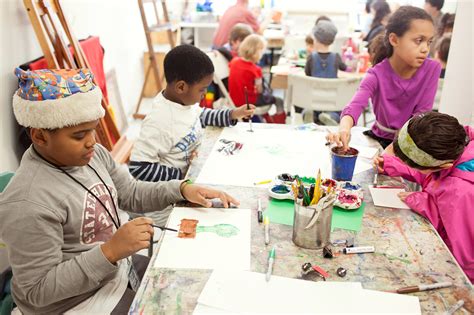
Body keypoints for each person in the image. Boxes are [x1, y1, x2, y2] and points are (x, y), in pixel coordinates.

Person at [0, 68, 239, 314]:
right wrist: (110, 251)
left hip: (113, 267)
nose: (92, 141)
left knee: (191, 282)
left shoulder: (92, 156)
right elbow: (37, 291)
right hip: (75, 302)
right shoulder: (27, 203)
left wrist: (181, 189)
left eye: (93, 129)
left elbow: (129, 192)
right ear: (40, 136)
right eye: (79, 135)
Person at [129, 44, 254, 184]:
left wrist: (234, 114)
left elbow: (202, 116)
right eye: (202, 89)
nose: (205, 94)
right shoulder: (159, 122)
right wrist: (182, 173)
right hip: (175, 192)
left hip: (196, 169)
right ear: (181, 87)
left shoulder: (184, 102)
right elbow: (138, 167)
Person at [374, 112, 474, 282]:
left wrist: (424, 202)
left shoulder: (459, 192)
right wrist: (394, 165)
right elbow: (434, 174)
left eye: (416, 166)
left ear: (444, 165)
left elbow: (465, 259)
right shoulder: (458, 145)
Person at [327, 6, 441, 149]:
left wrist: (396, 150)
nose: (425, 49)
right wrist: (344, 129)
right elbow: (355, 106)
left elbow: (421, 114)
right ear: (394, 39)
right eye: (419, 40)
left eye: (429, 42)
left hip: (412, 140)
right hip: (379, 140)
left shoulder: (432, 69)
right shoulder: (376, 75)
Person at [229, 34, 285, 119]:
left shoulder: (234, 61)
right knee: (279, 100)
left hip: (234, 99)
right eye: (262, 51)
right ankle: (279, 121)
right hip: (249, 102)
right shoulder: (256, 70)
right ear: (256, 52)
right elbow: (259, 90)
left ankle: (267, 118)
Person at [304, 20, 347, 125]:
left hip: (314, 99)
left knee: (306, 109)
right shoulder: (336, 57)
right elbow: (344, 68)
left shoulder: (311, 57)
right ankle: (330, 116)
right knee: (339, 112)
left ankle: (310, 115)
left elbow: (307, 74)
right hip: (332, 100)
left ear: (316, 40)